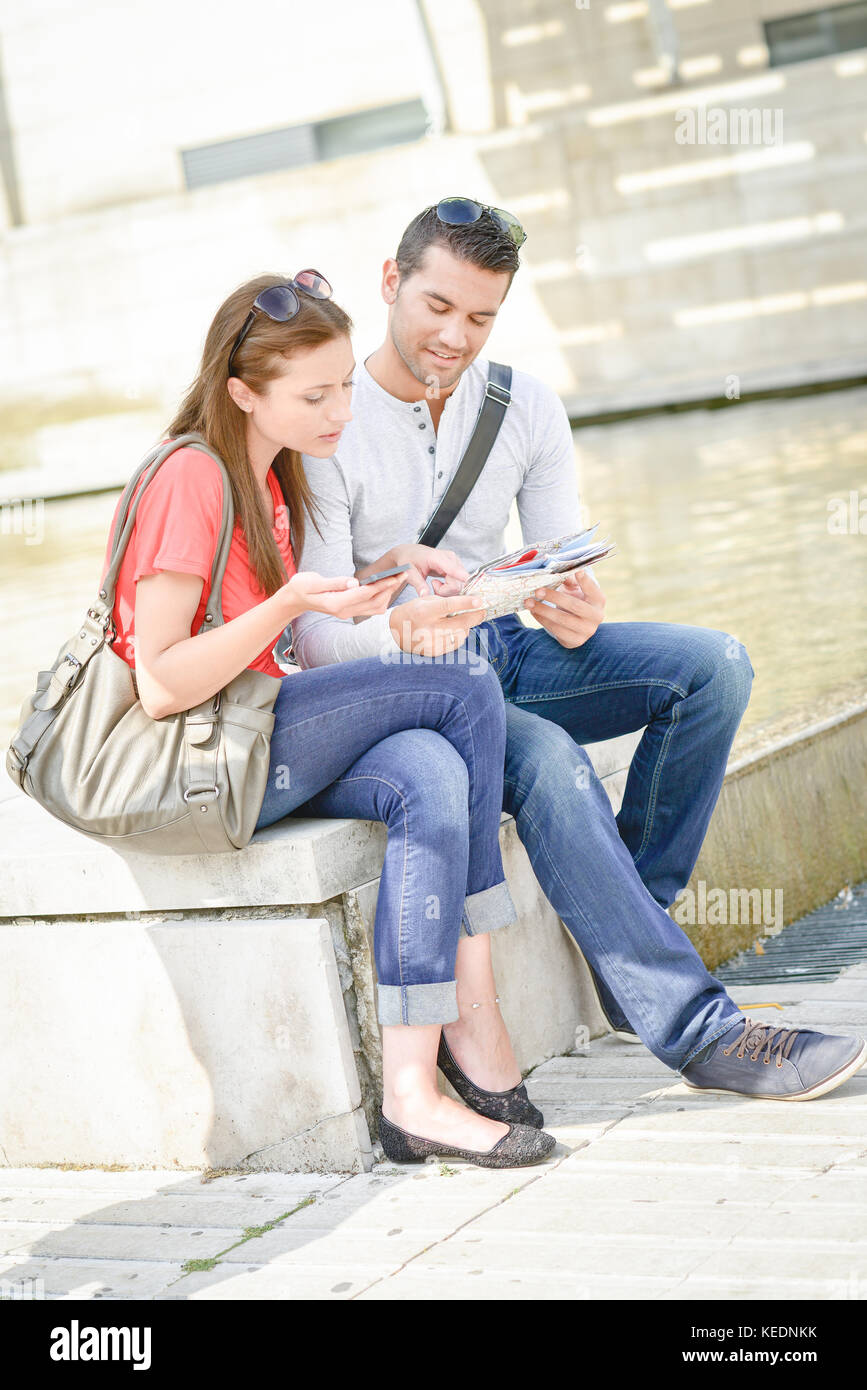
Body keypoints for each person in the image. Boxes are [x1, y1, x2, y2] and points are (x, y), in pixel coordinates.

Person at [289, 200, 867, 1102]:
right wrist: (399, 624)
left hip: (508, 649)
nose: (455, 337)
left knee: (712, 666)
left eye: (480, 318)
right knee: (553, 762)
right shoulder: (327, 421)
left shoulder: (525, 407)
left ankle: (631, 934)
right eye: (437, 307)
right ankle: (698, 1030)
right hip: (409, 682)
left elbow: (560, 559)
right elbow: (312, 631)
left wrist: (577, 612)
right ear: (391, 284)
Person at [96, 270, 556, 1169]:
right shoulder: (191, 478)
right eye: (316, 394)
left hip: (257, 733)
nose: (342, 408)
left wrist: (379, 573)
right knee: (461, 688)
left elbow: (284, 638)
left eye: (345, 383)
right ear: (241, 393)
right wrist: (285, 609)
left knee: (427, 767)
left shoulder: (271, 473)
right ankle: (477, 1006)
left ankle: (412, 1095)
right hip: (200, 761)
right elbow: (160, 682)